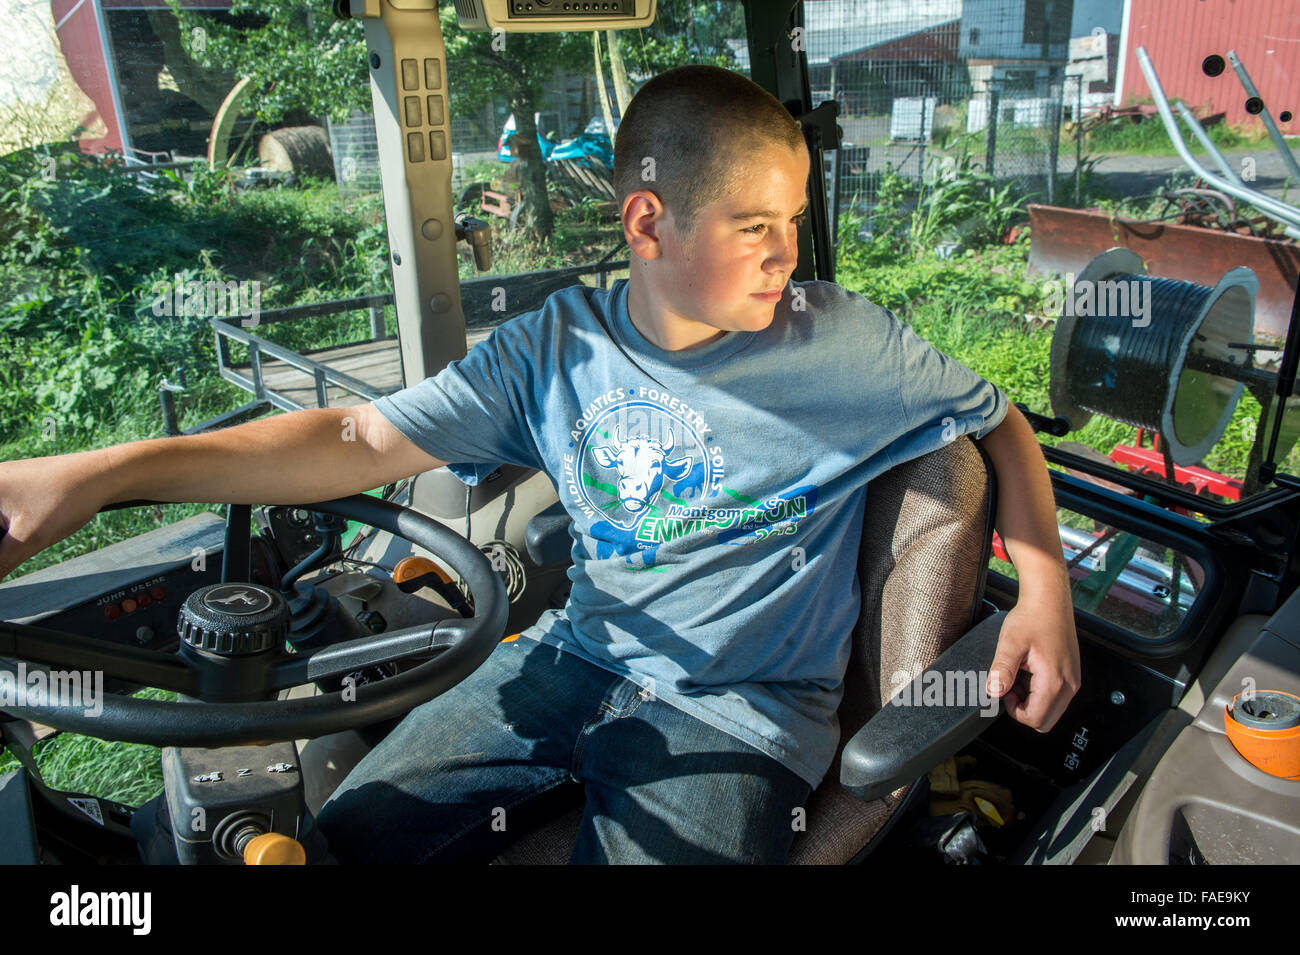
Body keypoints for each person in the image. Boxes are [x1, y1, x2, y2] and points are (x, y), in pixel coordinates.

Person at [0, 65, 1079, 865]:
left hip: (740, 712)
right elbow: (360, 441)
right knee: (335, 844)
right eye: (755, 226)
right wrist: (102, 472)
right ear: (648, 222)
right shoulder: (553, 346)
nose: (787, 255)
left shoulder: (838, 342)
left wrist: (1043, 590)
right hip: (573, 657)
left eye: (792, 223)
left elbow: (998, 426)